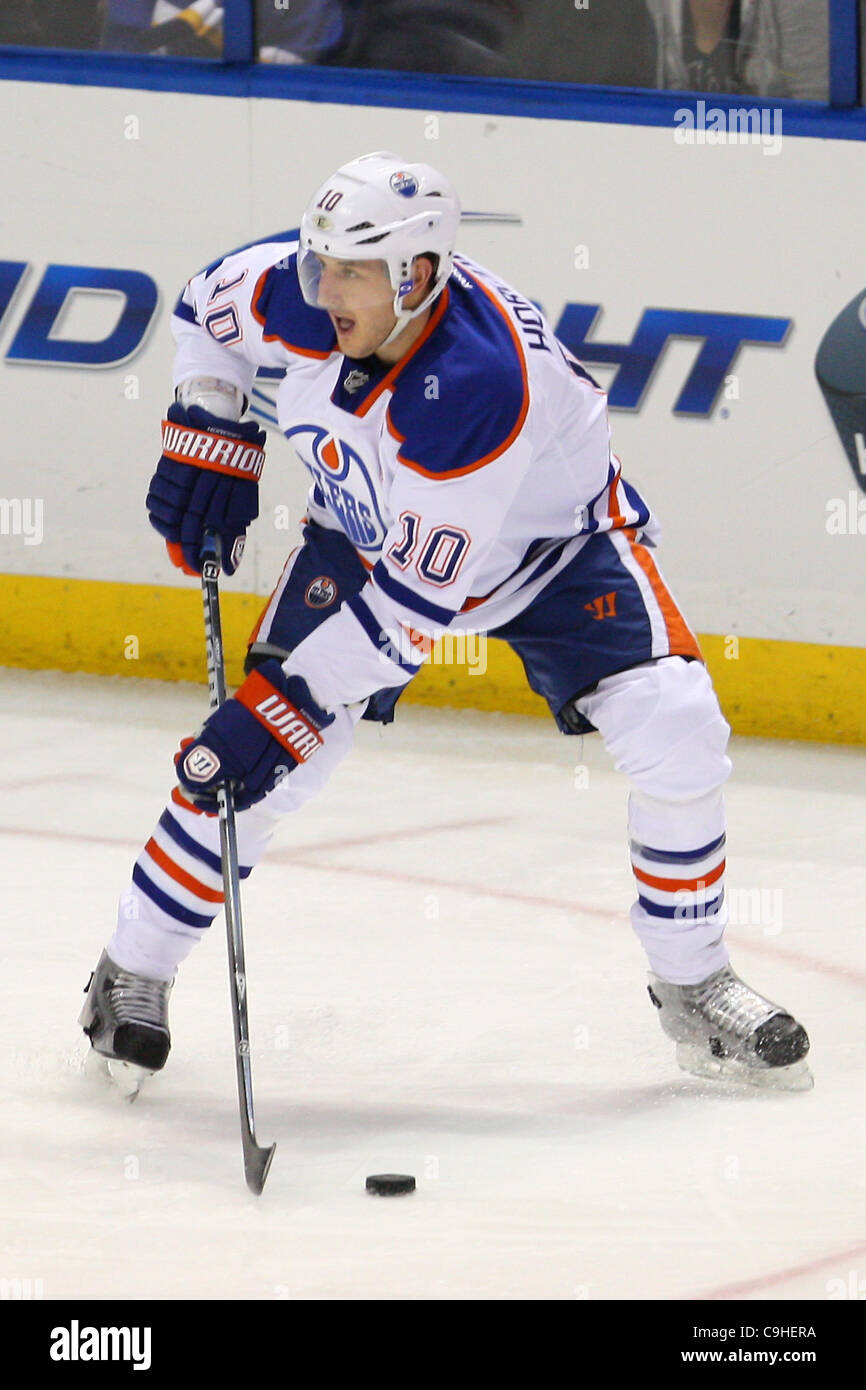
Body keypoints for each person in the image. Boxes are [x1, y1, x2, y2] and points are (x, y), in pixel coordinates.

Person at [79, 151, 811, 1094]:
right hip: (364, 536)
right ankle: (132, 967)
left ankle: (695, 983)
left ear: (418, 276)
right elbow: (201, 319)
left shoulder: (473, 384)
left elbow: (407, 615)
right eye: (321, 262)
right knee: (261, 767)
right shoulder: (295, 289)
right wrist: (211, 422)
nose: (324, 289)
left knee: (678, 724)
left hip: (553, 552)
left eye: (353, 272)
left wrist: (281, 702)